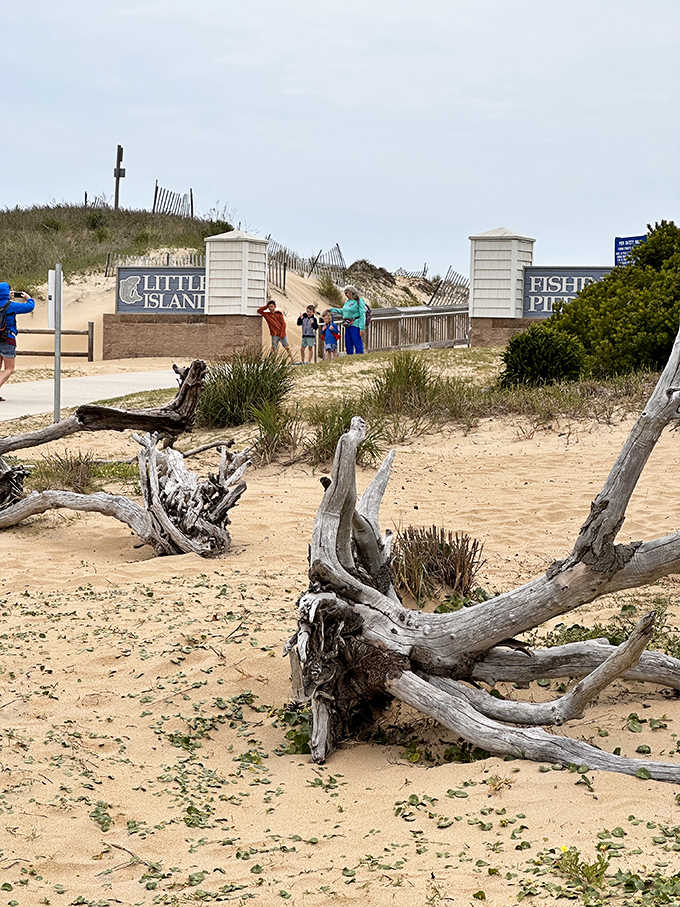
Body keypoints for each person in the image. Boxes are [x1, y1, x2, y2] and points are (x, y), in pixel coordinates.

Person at [0, 282, 36, 399]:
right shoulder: (11, 305)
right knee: (9, 369)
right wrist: (28, 298)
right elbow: (29, 307)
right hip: (7, 338)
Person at [330, 285, 366, 355]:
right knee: (348, 343)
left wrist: (362, 328)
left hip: (355, 324)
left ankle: (360, 356)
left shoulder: (359, 301)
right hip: (347, 324)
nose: (345, 295)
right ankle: (349, 356)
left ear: (351, 292)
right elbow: (343, 312)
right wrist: (332, 310)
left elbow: (362, 314)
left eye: (346, 293)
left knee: (357, 342)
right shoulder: (347, 302)